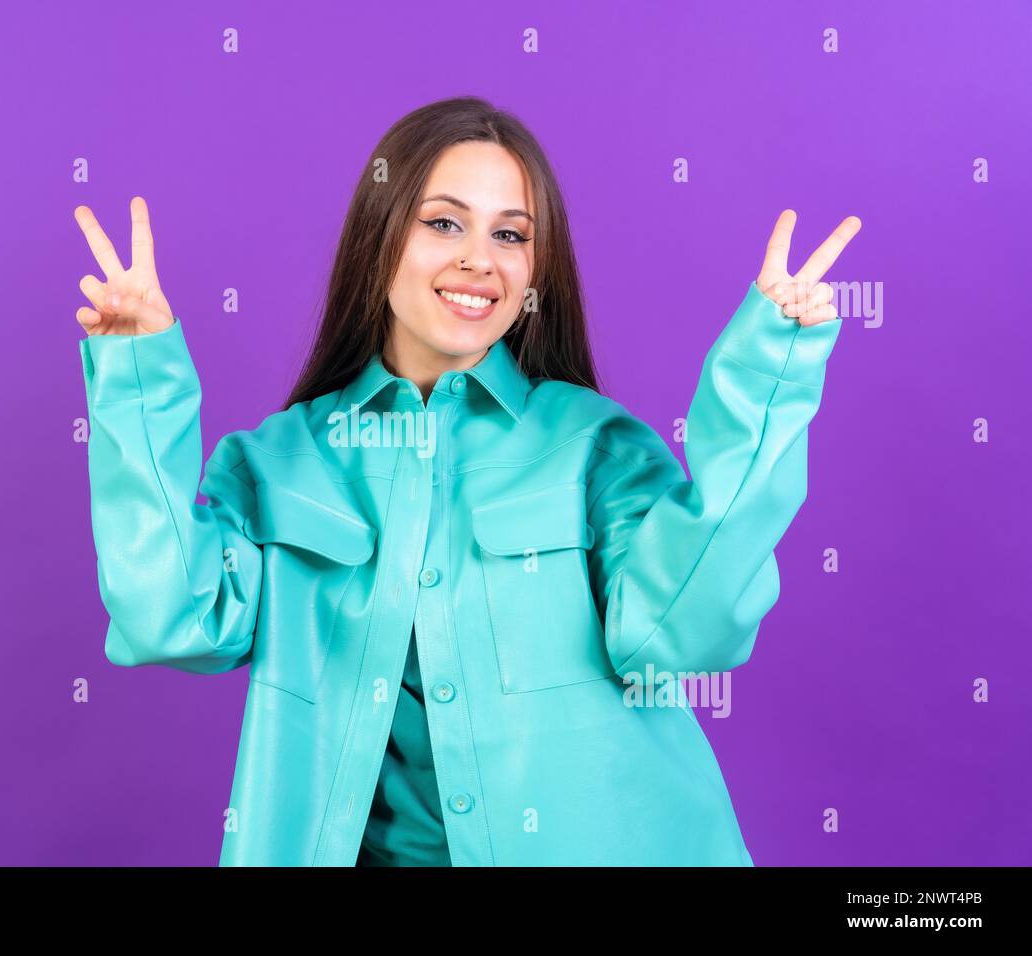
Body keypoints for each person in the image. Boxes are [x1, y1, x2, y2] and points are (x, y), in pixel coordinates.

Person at [73, 96, 861, 866]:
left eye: (510, 234)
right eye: (443, 222)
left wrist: (767, 374)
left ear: (532, 276)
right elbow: (168, 618)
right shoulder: (279, 462)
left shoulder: (594, 446)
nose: (477, 259)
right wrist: (138, 375)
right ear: (379, 239)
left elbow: (681, 634)